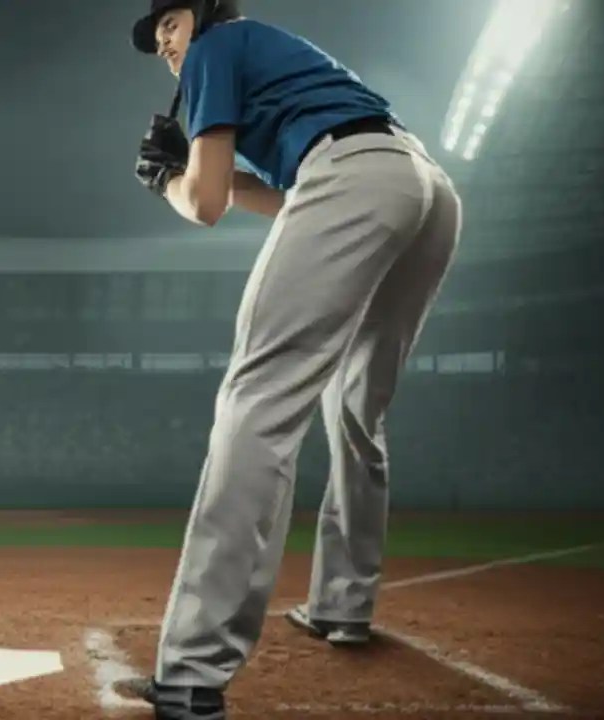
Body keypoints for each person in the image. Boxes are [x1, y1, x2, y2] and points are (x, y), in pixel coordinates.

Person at [127, 1, 462, 717]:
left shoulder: (217, 46)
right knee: (356, 410)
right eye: (156, 35)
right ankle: (345, 604)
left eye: (170, 22)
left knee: (258, 400)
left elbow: (207, 203)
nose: (163, 41)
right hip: (423, 187)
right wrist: (184, 169)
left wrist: (167, 181)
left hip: (355, 176)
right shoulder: (266, 54)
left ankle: (191, 670)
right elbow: (290, 201)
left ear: (208, 11)